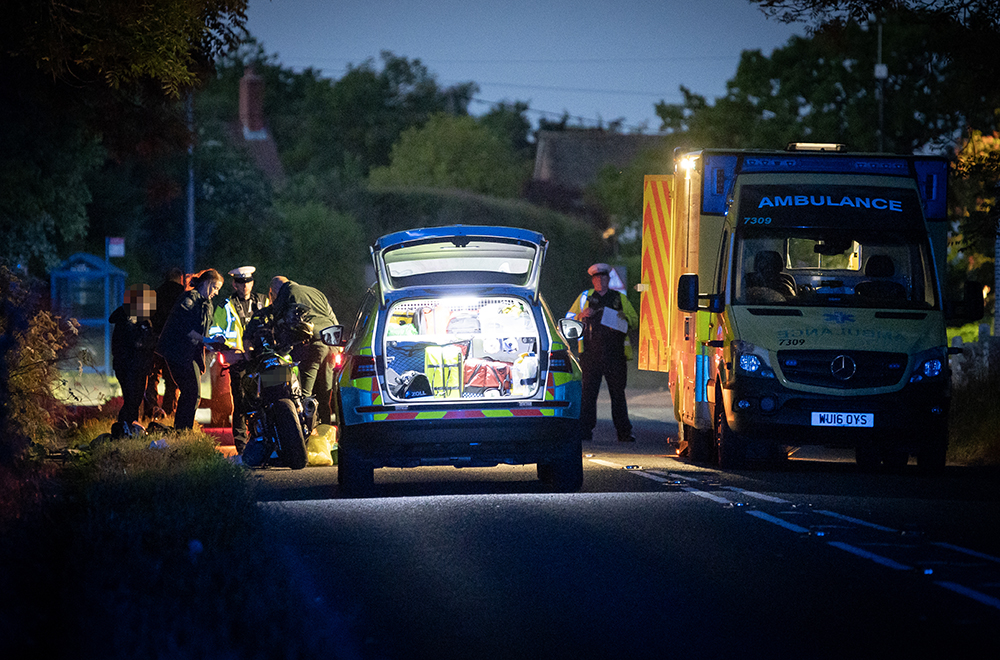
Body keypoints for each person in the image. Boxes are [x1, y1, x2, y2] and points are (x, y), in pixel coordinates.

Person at [567, 263, 638, 443]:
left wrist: (624, 317)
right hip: (590, 354)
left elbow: (635, 321)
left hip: (615, 355)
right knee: (588, 395)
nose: (600, 281)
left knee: (618, 395)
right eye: (597, 278)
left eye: (604, 277)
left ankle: (624, 432)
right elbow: (569, 320)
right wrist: (581, 315)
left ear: (608, 279)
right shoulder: (584, 297)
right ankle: (584, 431)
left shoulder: (619, 298)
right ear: (593, 280)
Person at [266, 276, 340, 426]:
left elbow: (278, 321)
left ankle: (304, 438)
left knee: (304, 395)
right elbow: (333, 319)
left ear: (273, 293)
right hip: (331, 344)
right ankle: (324, 437)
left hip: (312, 346)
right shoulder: (316, 292)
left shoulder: (286, 294)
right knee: (324, 397)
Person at [155, 269, 224, 430]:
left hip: (189, 354)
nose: (217, 292)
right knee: (192, 392)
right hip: (178, 353)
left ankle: (183, 430)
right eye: (215, 287)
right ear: (206, 284)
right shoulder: (189, 298)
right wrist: (206, 340)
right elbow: (185, 327)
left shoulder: (207, 303)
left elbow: (203, 331)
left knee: (191, 392)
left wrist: (211, 342)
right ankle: (183, 430)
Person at [211, 266, 268, 454]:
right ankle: (242, 446)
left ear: (252, 282)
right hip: (239, 360)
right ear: (234, 284)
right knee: (241, 401)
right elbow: (215, 331)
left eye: (248, 282)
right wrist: (227, 350)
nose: (245, 286)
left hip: (262, 358)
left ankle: (267, 439)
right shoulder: (226, 305)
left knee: (265, 398)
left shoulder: (263, 301)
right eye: (241, 282)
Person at [108, 284, 157, 434]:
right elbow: (137, 342)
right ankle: (125, 429)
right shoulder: (130, 318)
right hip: (130, 365)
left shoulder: (137, 318)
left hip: (136, 365)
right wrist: (152, 340)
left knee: (134, 400)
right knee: (132, 400)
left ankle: (128, 429)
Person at [145, 267, 186, 417]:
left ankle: (151, 410)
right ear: (180, 279)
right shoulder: (183, 296)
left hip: (155, 342)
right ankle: (169, 412)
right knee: (173, 380)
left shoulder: (155, 294)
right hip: (174, 344)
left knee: (151, 377)